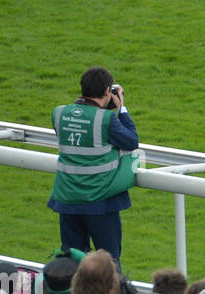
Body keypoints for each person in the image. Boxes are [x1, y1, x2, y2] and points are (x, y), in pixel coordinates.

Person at [46, 65, 138, 262]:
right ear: (107, 91)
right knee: (109, 265)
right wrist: (121, 107)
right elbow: (131, 141)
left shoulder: (59, 113)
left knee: (71, 262)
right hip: (100, 201)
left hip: (67, 198)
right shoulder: (106, 118)